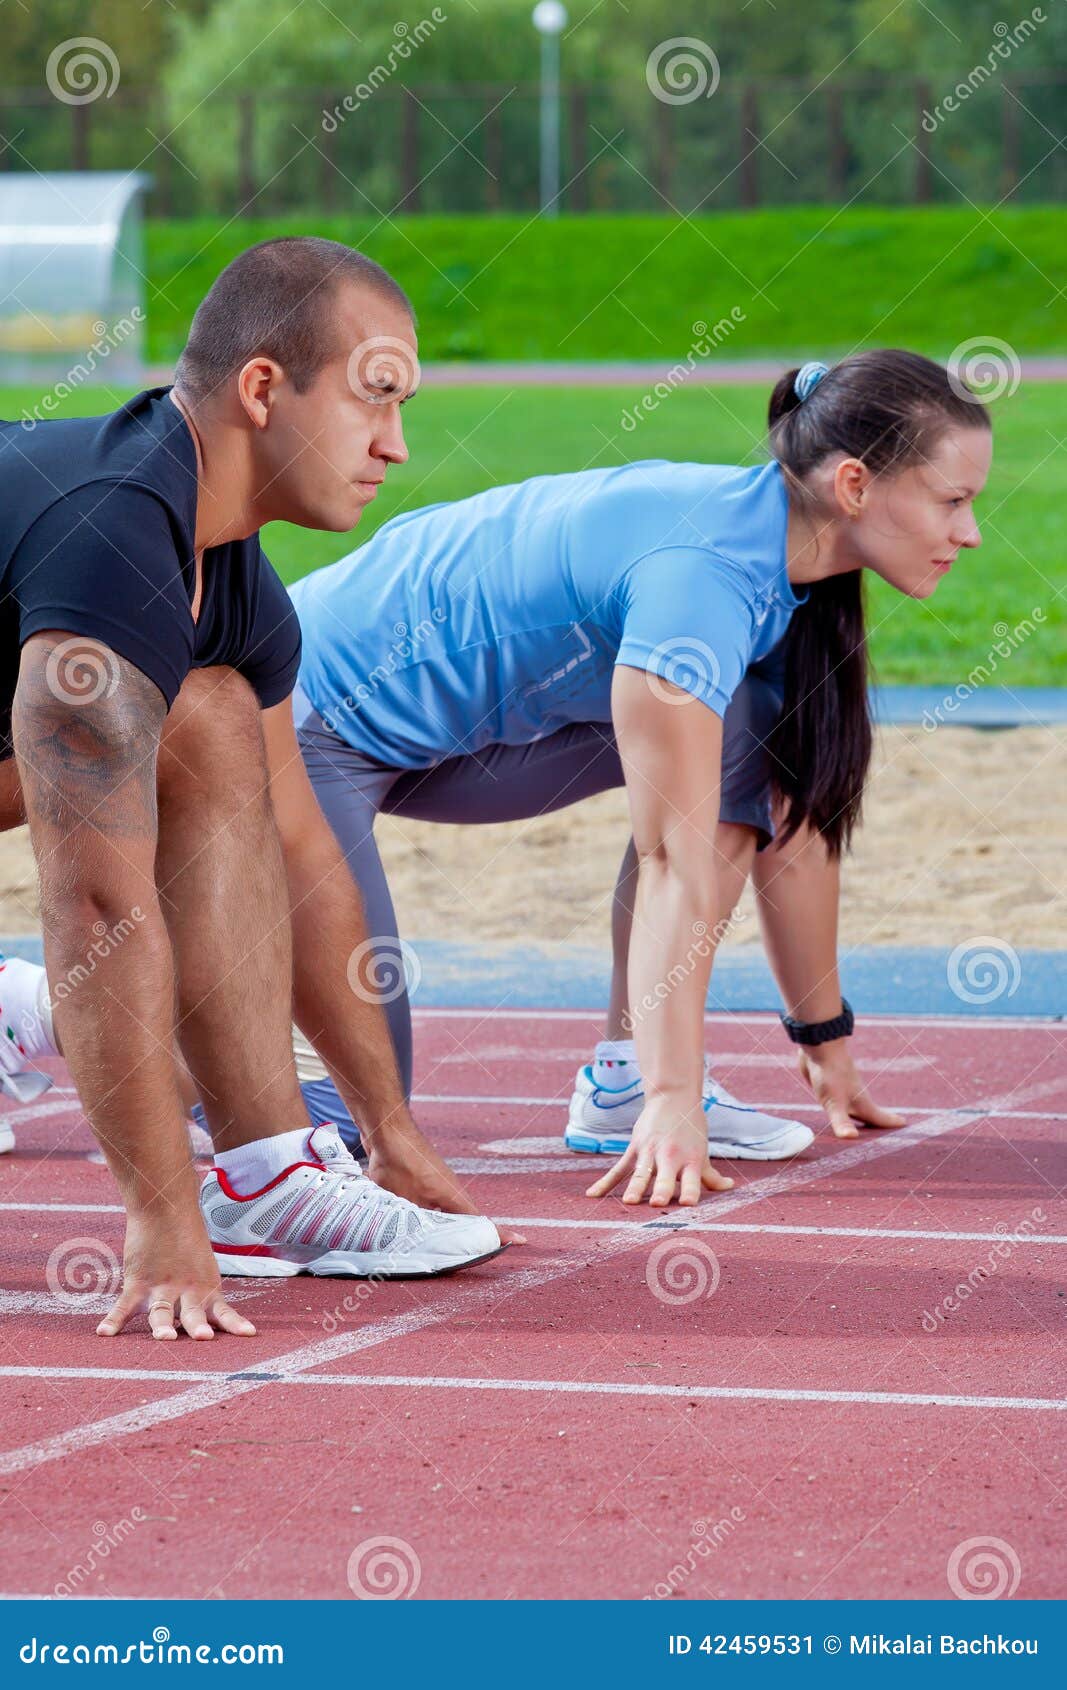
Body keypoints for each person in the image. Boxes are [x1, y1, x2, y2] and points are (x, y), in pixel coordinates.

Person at [286, 350, 990, 1207]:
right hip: (298, 724)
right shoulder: (704, 579)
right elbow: (673, 863)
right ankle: (94, 1016)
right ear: (852, 486)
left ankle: (622, 1078)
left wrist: (824, 1041)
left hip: (442, 746)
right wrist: (675, 1100)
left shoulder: (788, 571)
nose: (969, 532)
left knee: (749, 737)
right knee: (353, 1108)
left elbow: (793, 830)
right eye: (952, 502)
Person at [0, 236, 504, 1342]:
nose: (397, 445)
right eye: (375, 400)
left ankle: (271, 1171)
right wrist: (159, 1214)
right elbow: (91, 901)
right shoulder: (109, 543)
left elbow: (299, 846)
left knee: (210, 711)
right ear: (264, 388)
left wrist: (388, 1127)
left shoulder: (229, 581)